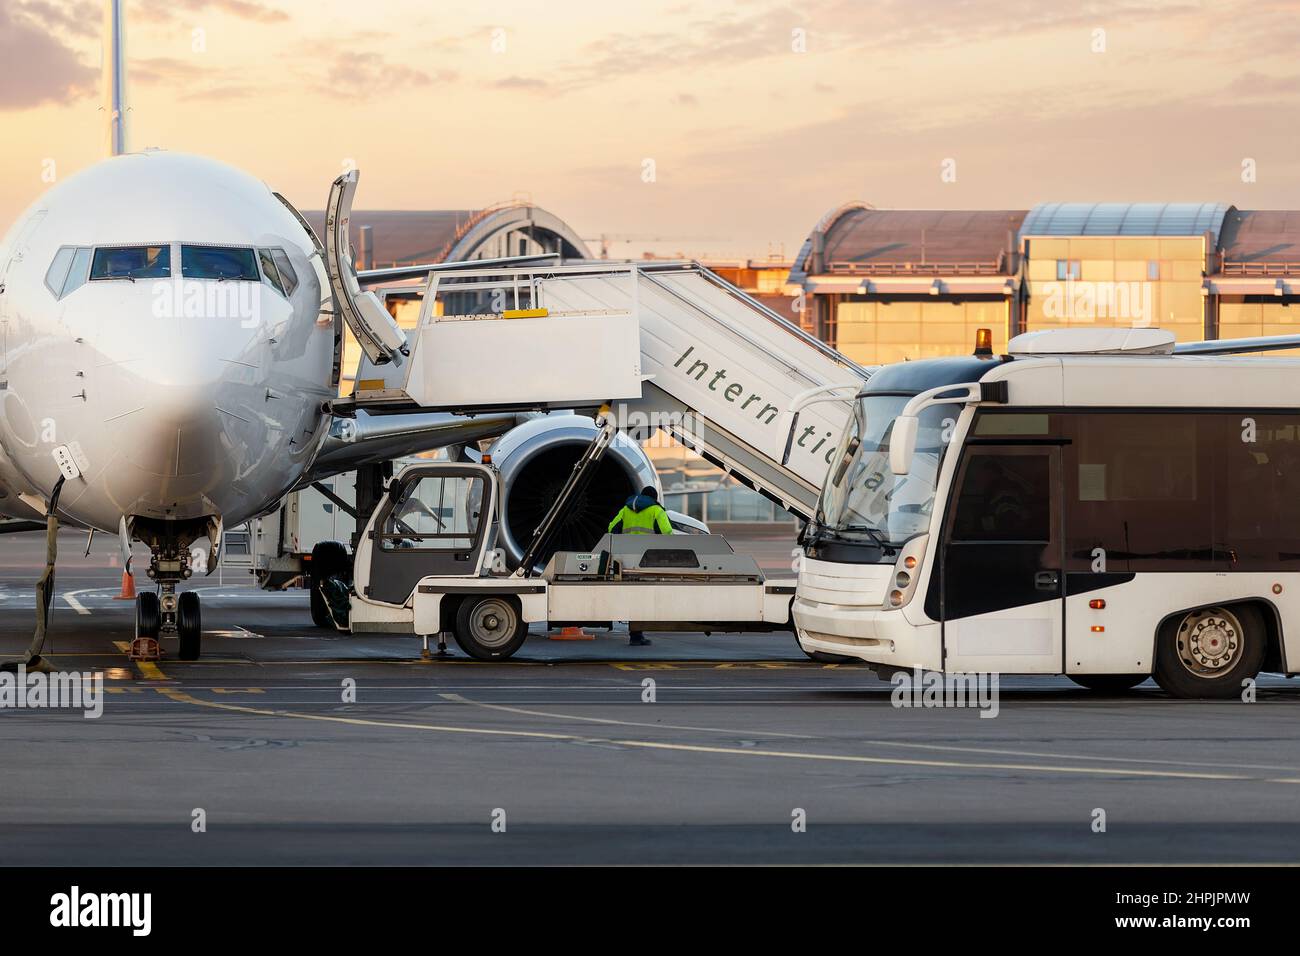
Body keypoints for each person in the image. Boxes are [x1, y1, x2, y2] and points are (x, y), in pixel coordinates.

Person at [607, 486, 673, 645]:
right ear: (654, 498)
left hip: (628, 560)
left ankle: (635, 635)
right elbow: (667, 533)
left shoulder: (626, 509)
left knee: (633, 597)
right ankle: (638, 636)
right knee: (645, 597)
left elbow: (611, 528)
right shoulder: (656, 511)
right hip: (649, 560)